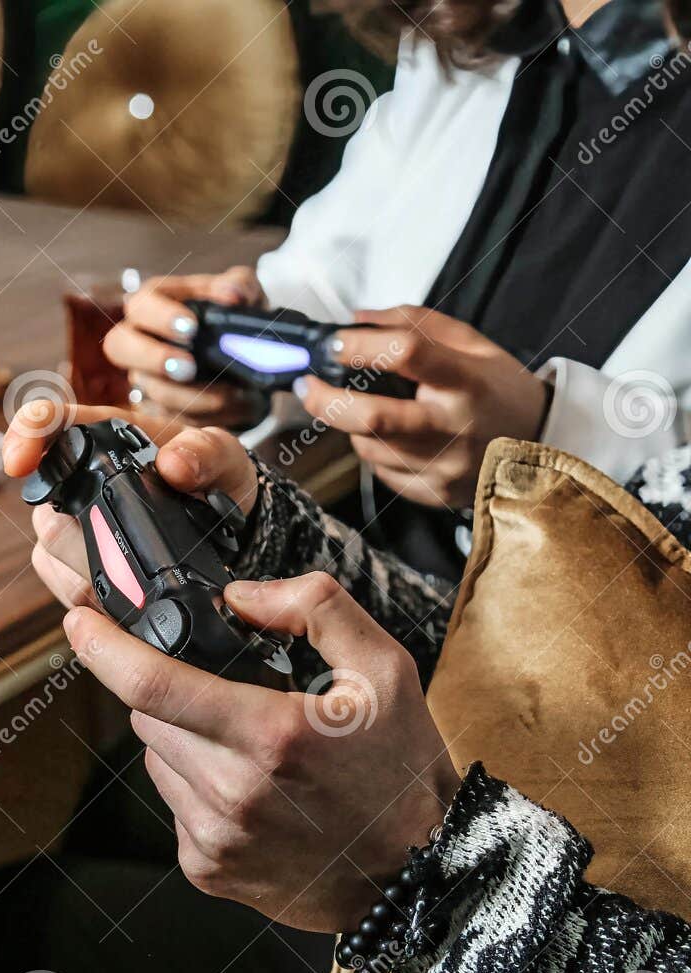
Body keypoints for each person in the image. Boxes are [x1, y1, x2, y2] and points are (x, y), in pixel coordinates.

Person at [0, 401, 691, 973]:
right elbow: (548, 655)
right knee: (47, 884)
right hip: (498, 851)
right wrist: (262, 552)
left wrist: (436, 887)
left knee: (21, 940)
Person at [109, 0, 691, 577]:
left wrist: (548, 451)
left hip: (592, 617)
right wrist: (245, 344)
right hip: (380, 579)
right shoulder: (470, 29)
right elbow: (335, 273)